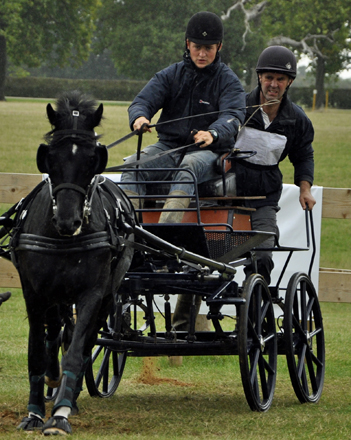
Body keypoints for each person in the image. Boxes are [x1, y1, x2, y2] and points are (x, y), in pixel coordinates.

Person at [171, 46, 316, 332]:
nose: (273, 84)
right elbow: (215, 136)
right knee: (198, 256)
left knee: (262, 257)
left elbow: (304, 156)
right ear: (259, 77)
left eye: (281, 79)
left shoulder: (296, 120)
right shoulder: (238, 108)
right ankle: (181, 325)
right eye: (269, 78)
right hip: (224, 196)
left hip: (263, 199)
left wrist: (305, 189)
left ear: (289, 83)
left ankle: (251, 325)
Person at [120, 11, 245, 224]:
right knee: (133, 165)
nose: (202, 54)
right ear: (188, 44)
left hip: (208, 152)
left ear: (219, 47)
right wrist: (139, 117)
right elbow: (142, 102)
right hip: (168, 147)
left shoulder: (229, 82)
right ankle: (127, 229)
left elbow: (233, 115)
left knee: (189, 165)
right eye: (197, 47)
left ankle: (167, 232)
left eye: (209, 48)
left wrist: (213, 133)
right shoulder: (169, 75)